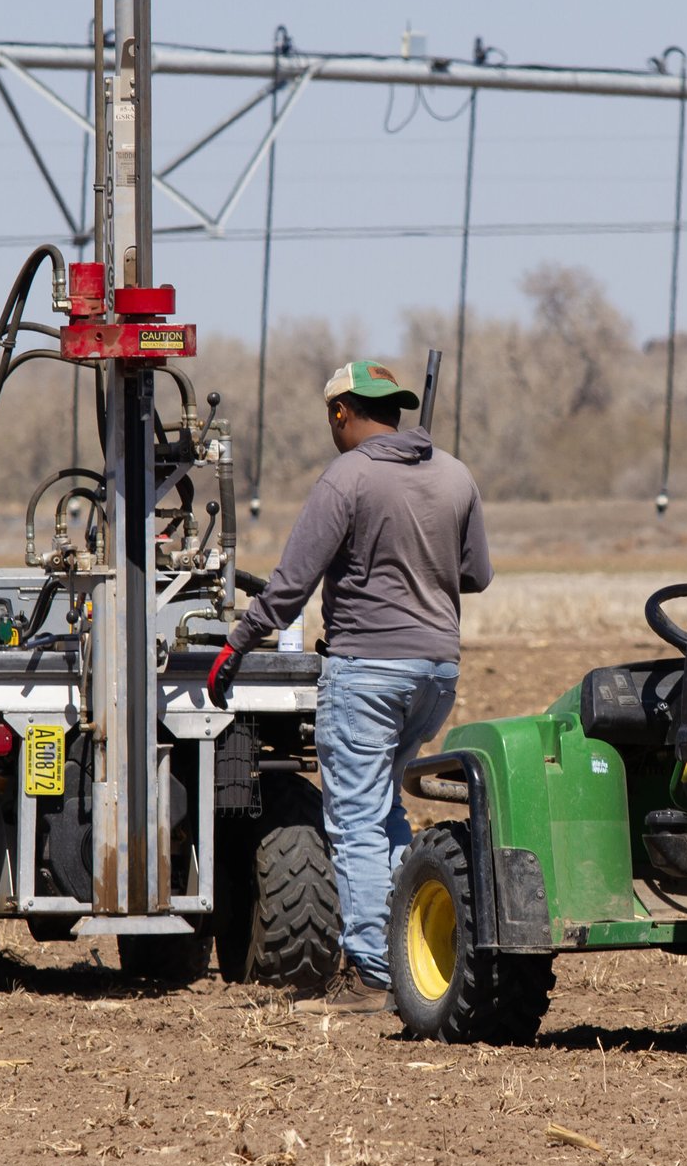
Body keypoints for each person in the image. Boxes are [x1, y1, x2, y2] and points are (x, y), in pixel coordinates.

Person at [209, 360, 492, 1009]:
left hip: (368, 670)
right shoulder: (455, 474)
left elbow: (290, 584)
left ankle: (371, 972)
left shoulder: (348, 476)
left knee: (357, 821)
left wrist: (237, 643)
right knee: (385, 811)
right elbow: (475, 574)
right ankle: (408, 956)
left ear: (341, 412)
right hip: (437, 672)